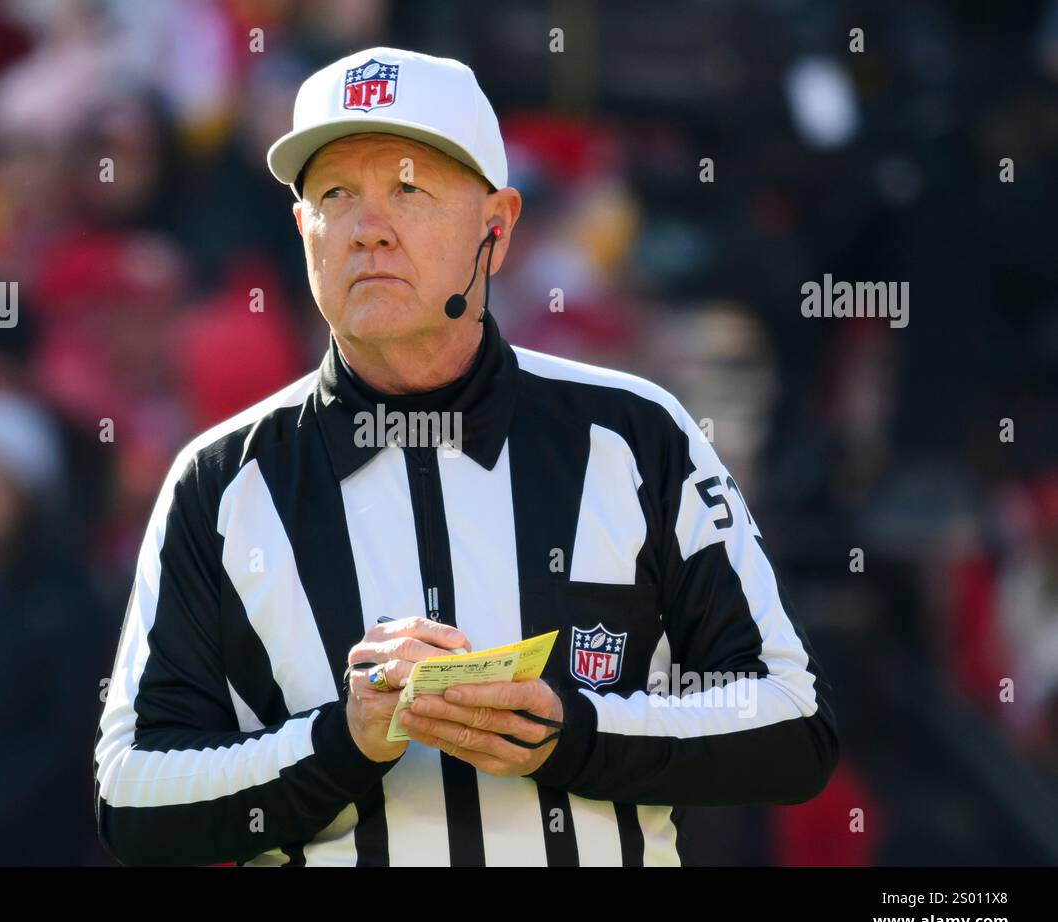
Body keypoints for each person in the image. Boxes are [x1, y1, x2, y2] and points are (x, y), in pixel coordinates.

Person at [94, 46, 839, 866]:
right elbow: (132, 800)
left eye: (407, 187)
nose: (367, 227)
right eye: (334, 194)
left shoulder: (638, 435)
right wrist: (340, 742)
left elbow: (792, 725)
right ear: (302, 229)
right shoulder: (220, 479)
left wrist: (570, 730)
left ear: (497, 226)